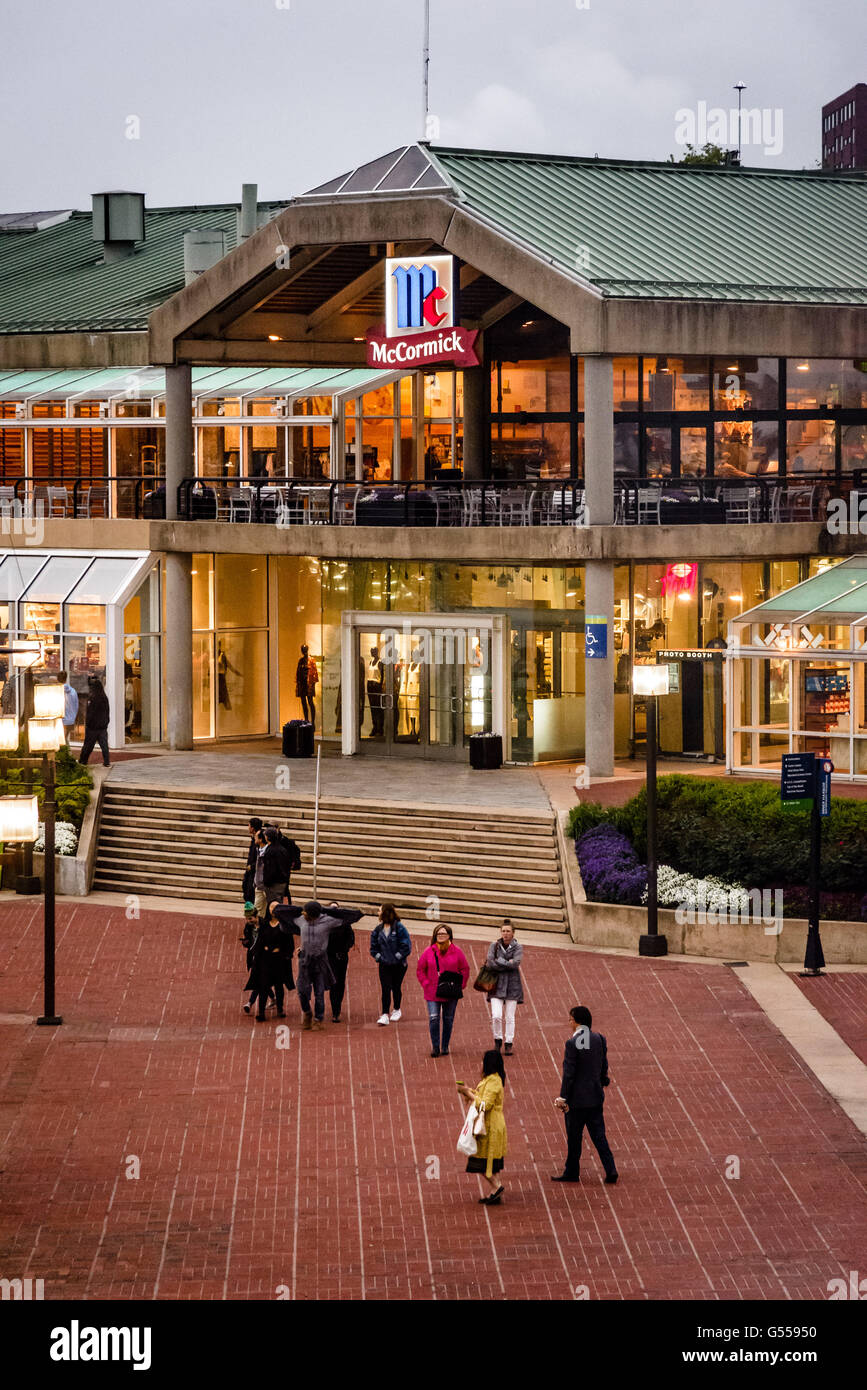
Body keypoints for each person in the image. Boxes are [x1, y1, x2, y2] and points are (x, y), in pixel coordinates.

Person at [552, 1005, 618, 1185]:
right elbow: (603, 1065)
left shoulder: (572, 1044)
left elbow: (569, 1073)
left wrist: (563, 1097)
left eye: (571, 1019)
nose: (569, 1022)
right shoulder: (599, 1039)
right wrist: (602, 1080)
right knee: (599, 1135)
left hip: (576, 1101)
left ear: (578, 1021)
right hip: (595, 1097)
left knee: (574, 1137)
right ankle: (610, 1168)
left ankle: (572, 1171)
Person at [275, 900, 362, 1030]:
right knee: (301, 990)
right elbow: (283, 914)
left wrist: (331, 910)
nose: (303, 913)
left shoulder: (327, 921)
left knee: (319, 992)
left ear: (313, 914)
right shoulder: (301, 919)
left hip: (320, 960)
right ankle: (307, 1012)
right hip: (304, 960)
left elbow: (347, 919)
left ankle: (318, 1019)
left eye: (306, 912)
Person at [457, 1050, 508, 1204]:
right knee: (492, 1161)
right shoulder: (494, 1079)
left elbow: (485, 1105)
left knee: (479, 1160)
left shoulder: (493, 1081)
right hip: (491, 1124)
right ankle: (494, 1192)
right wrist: (469, 1091)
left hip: (489, 1126)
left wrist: (468, 1093)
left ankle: (496, 1186)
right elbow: (482, 1098)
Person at [416, 924, 470, 1058]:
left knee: (448, 1019)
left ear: (449, 936)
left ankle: (445, 1045)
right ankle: (435, 1046)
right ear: (435, 936)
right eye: (439, 934)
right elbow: (420, 970)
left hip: (451, 992)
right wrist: (426, 983)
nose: (441, 936)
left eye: (444, 934)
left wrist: (461, 985)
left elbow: (465, 968)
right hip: (432, 991)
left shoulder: (457, 951)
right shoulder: (429, 951)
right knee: (434, 1018)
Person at [246, 899, 296, 1022]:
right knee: (263, 985)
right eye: (271, 908)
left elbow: (289, 944)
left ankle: (280, 1008)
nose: (273, 910)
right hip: (265, 959)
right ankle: (261, 1012)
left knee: (279, 985)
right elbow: (260, 940)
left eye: (275, 908)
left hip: (279, 959)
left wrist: (283, 952)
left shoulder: (284, 925)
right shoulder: (265, 923)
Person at [485, 921, 523, 1055]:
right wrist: (507, 962)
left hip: (512, 985)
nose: (505, 934)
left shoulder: (518, 947)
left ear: (513, 933)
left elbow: (516, 963)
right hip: (496, 985)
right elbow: (490, 963)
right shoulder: (493, 946)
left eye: (508, 931)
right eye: (503, 931)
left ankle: (508, 1042)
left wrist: (499, 961)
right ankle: (497, 1039)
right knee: (496, 1015)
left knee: (510, 1017)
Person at [370, 903, 412, 1025]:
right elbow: (373, 948)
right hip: (384, 965)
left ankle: (397, 1009)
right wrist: (380, 958)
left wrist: (396, 957)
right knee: (385, 988)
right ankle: (384, 1014)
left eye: (379, 910)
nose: (378, 913)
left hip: (399, 965)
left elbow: (406, 946)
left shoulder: (399, 928)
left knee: (396, 986)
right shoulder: (378, 930)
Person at [253, 825, 293, 919]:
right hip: (282, 882)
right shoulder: (283, 850)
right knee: (277, 907)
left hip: (273, 884)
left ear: (267, 837)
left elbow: (270, 869)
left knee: (273, 909)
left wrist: (266, 882)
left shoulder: (270, 850)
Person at [326, 900, 356, 1023]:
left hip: (342, 957)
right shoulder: (326, 924)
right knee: (334, 982)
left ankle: (338, 1005)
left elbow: (351, 939)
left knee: (341, 982)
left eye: (336, 908)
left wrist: (345, 949)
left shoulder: (345, 923)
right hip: (330, 957)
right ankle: (335, 1011)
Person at [78, 675, 110, 767]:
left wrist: (87, 723)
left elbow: (90, 713)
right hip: (102, 726)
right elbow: (107, 711)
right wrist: (106, 722)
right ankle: (106, 761)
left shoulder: (92, 698)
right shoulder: (104, 698)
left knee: (88, 745)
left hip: (92, 727)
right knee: (104, 745)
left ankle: (83, 760)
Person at [295, 644, 319, 728]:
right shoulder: (300, 660)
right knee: (303, 703)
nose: (303, 651)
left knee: (310, 702)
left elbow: (315, 674)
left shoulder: (311, 660)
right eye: (302, 650)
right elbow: (298, 673)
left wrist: (312, 684)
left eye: (304, 649)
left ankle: (313, 721)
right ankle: (306, 720)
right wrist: (298, 683)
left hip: (309, 684)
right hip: (302, 684)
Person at [243, 817, 263, 904]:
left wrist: (252, 866)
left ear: (253, 828)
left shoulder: (259, 841)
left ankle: (252, 913)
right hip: (250, 870)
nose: (248, 827)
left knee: (251, 892)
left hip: (255, 872)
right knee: (246, 889)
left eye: (249, 825)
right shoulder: (253, 840)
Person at [56, 670, 78, 744]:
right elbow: (76, 706)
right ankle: (67, 753)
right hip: (71, 720)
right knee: (64, 739)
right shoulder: (73, 691)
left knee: (61, 741)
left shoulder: (56, 691)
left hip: (61, 720)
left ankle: (66, 754)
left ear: (57, 679)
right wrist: (73, 717)